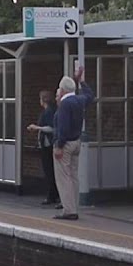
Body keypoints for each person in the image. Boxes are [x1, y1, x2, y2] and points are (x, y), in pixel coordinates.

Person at [52, 64, 94, 220]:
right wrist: (81, 81)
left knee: (63, 177)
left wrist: (58, 145)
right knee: (74, 176)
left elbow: (63, 127)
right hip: (77, 142)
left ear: (62, 90)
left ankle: (69, 210)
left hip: (66, 144)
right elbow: (90, 95)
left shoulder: (65, 104)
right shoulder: (79, 100)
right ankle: (74, 206)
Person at [27, 89, 60, 208]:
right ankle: (54, 194)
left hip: (48, 144)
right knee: (50, 170)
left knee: (49, 170)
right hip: (46, 144)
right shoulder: (50, 110)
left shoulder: (49, 112)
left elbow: (51, 128)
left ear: (43, 100)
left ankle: (52, 195)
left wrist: (37, 128)